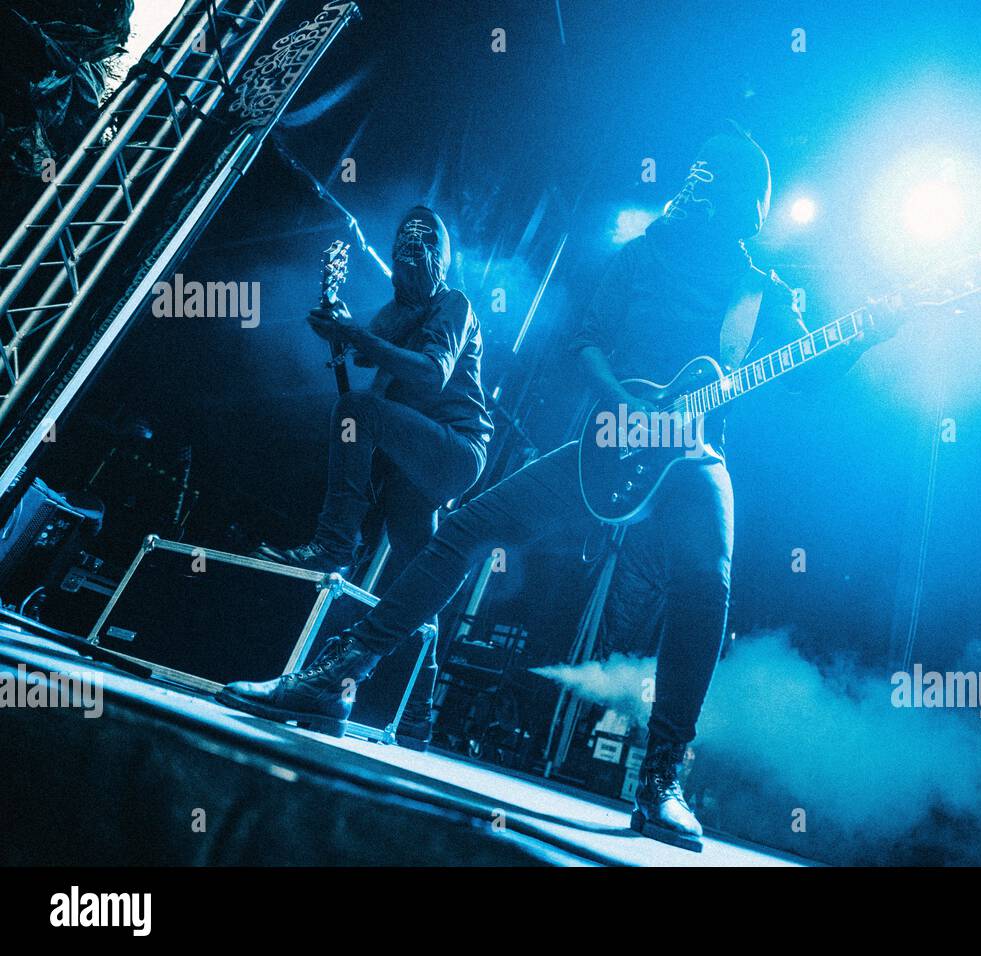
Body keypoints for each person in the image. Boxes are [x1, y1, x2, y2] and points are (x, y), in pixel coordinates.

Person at [219, 125, 891, 850]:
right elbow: (585, 342)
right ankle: (336, 675)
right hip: (604, 443)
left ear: (740, 202)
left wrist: (877, 330)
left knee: (708, 583)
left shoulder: (759, 290)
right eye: (690, 170)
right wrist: (626, 407)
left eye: (708, 177)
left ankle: (661, 779)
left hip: (695, 455)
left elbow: (811, 375)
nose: (691, 184)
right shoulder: (643, 253)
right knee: (466, 529)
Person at [255, 206, 493, 748]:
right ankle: (417, 716)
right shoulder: (391, 315)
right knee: (419, 579)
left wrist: (355, 336)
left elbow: (432, 372)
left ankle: (334, 543)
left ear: (444, 257)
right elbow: (363, 352)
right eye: (404, 236)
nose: (413, 242)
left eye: (426, 238)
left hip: (455, 450)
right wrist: (337, 330)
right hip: (413, 467)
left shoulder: (454, 304)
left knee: (355, 411)